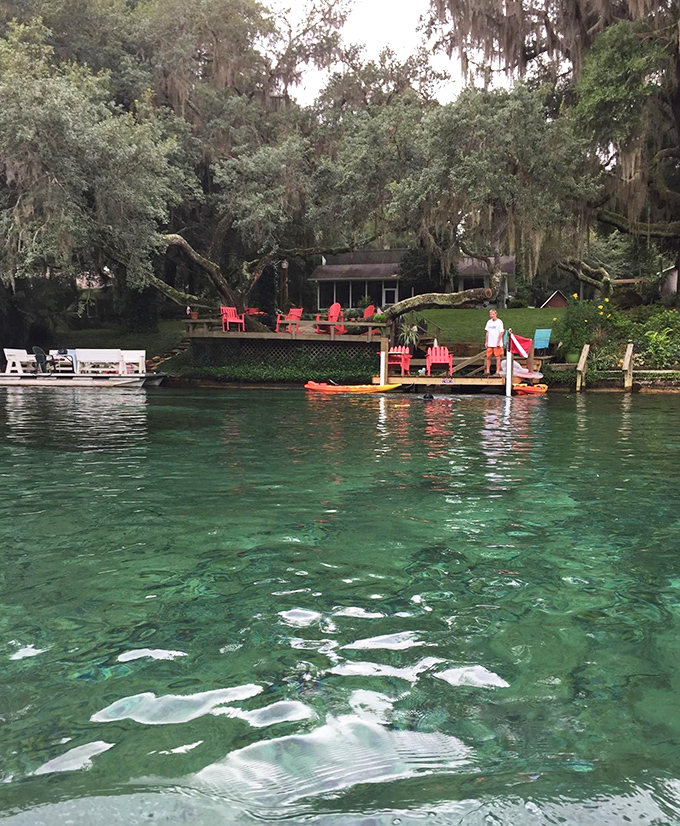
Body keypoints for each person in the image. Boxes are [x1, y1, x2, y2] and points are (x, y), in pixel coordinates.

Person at [484, 309, 504, 376]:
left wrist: (498, 341)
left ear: (496, 314)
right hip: (490, 342)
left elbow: (501, 332)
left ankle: (497, 371)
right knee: (488, 357)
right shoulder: (489, 322)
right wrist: (486, 341)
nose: (491, 316)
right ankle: (487, 371)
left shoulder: (499, 322)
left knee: (497, 357)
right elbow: (487, 332)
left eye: (493, 314)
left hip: (496, 343)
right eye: (490, 314)